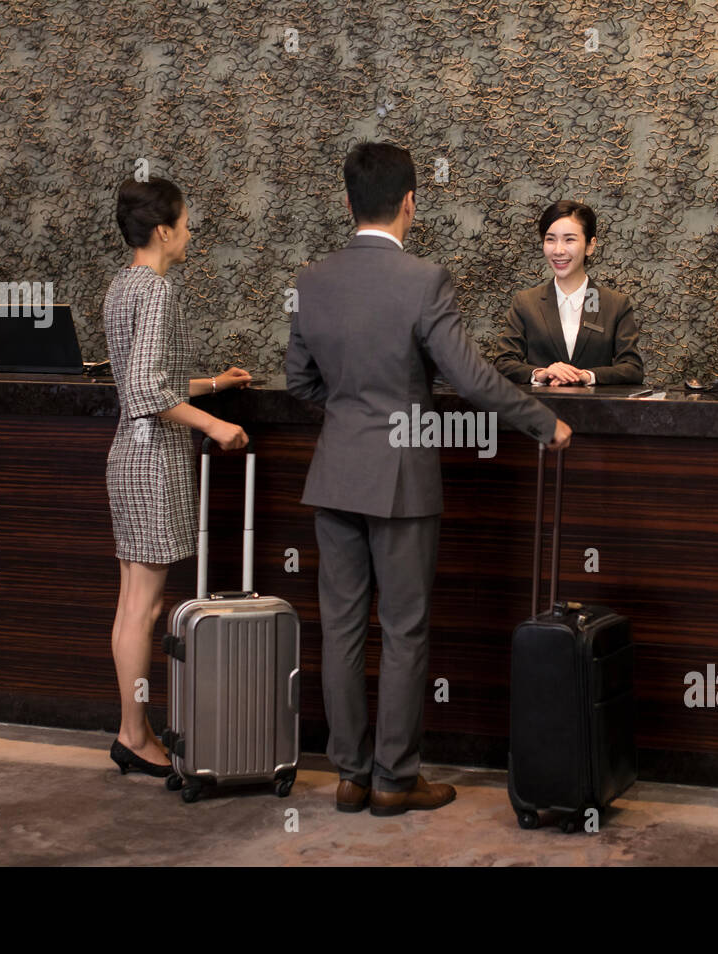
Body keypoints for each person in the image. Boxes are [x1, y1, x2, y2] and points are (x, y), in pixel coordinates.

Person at [286, 142, 573, 816]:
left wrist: (354, 415)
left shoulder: (312, 279)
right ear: (411, 201)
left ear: (347, 200)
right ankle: (394, 779)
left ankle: (350, 775)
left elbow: (301, 381)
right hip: (402, 483)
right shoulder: (424, 280)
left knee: (341, 628)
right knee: (405, 629)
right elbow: (471, 377)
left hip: (334, 477)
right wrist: (541, 422)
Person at [104, 177, 252, 778]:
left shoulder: (122, 286)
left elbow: (146, 381)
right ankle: (135, 736)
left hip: (127, 456)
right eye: (186, 223)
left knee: (131, 604)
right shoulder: (158, 291)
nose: (191, 232)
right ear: (163, 230)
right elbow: (144, 391)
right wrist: (214, 425)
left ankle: (130, 730)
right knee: (144, 608)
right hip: (152, 460)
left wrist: (215, 382)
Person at [494, 200, 644, 387]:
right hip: (539, 412)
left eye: (569, 239)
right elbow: (503, 363)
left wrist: (586, 376)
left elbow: (632, 368)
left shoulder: (614, 304)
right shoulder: (526, 303)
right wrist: (541, 373)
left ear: (590, 245)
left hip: (599, 412)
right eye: (550, 239)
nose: (559, 250)